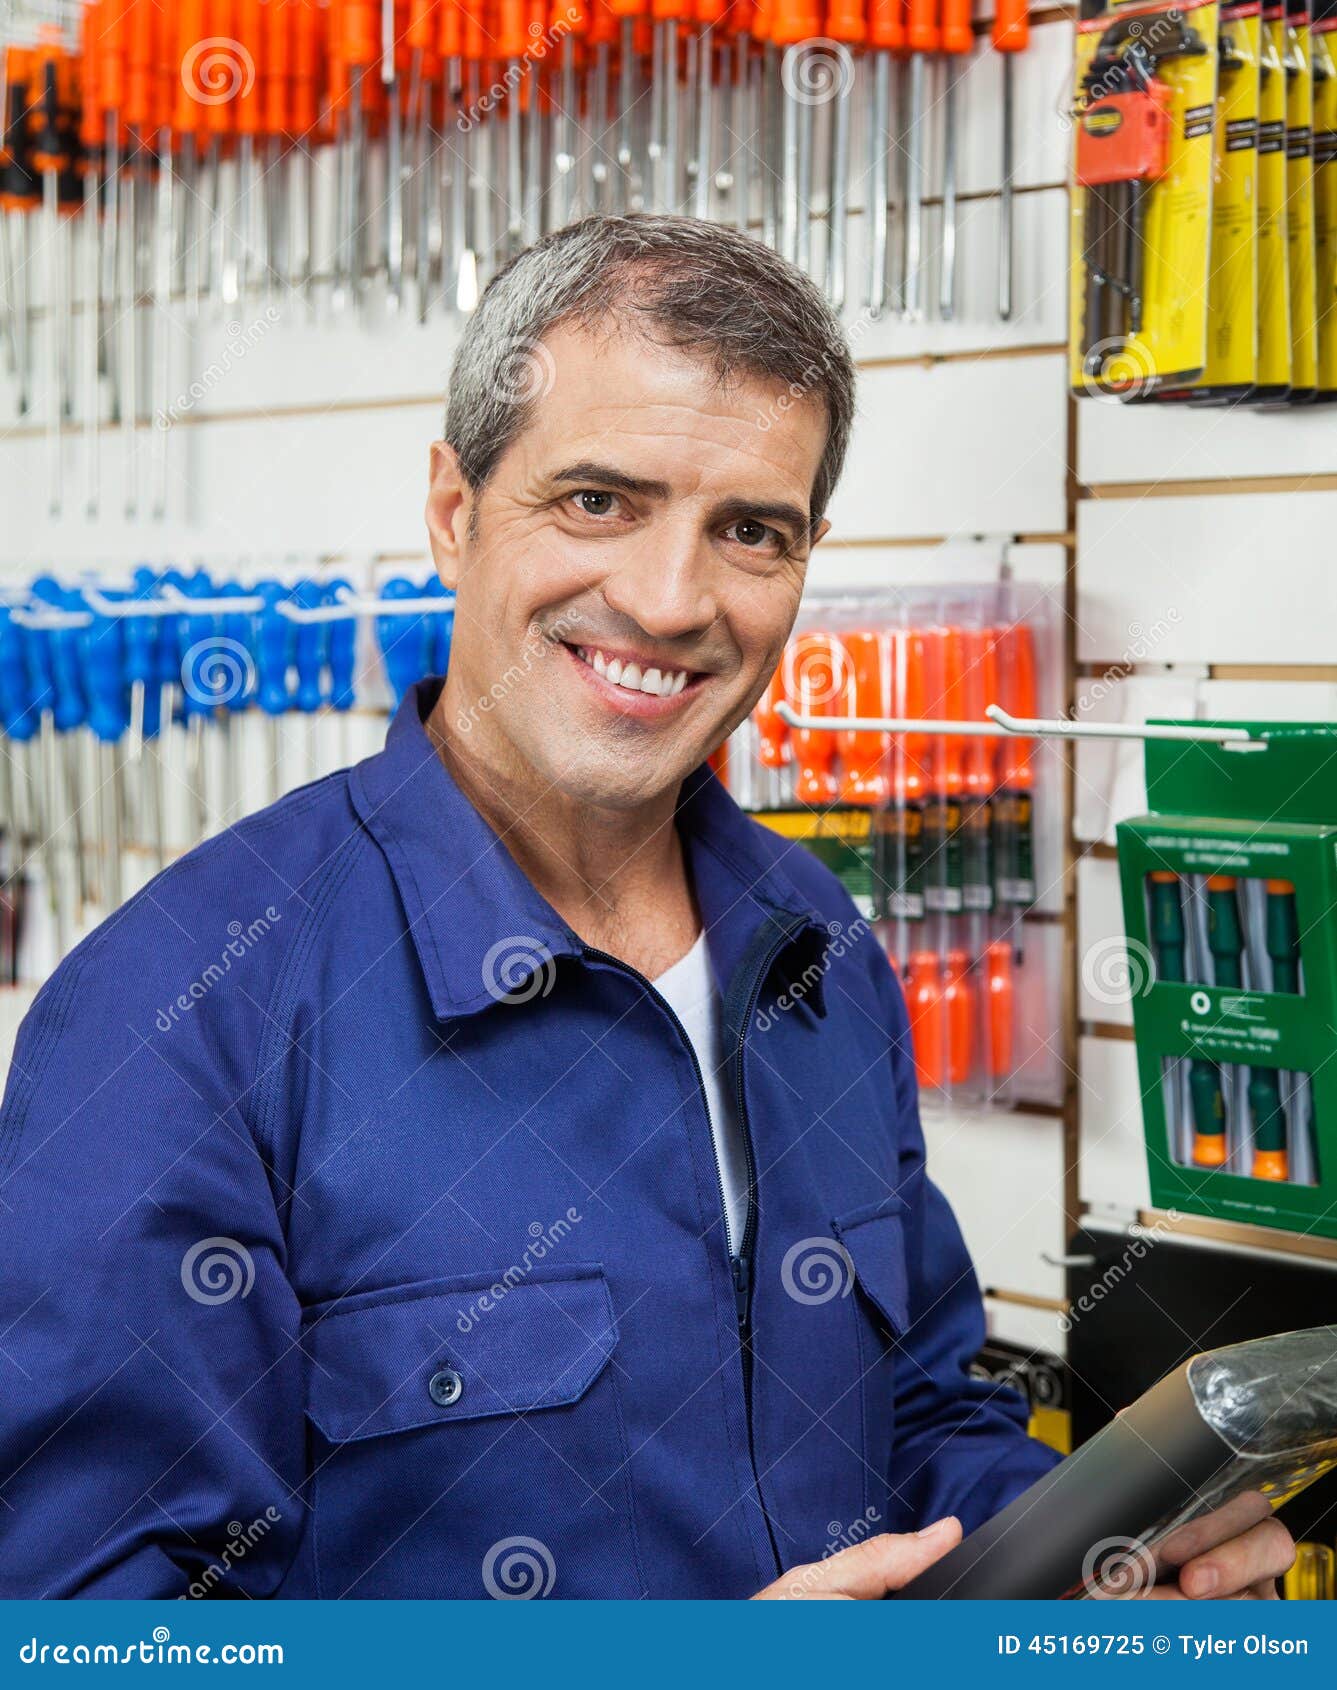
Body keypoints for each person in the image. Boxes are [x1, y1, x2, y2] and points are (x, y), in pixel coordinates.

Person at [0, 216, 1293, 1601]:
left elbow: (914, 1417)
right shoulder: (181, 1009)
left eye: (749, 531)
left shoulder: (812, 940)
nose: (671, 602)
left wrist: (1089, 1540)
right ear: (453, 511)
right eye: (598, 502)